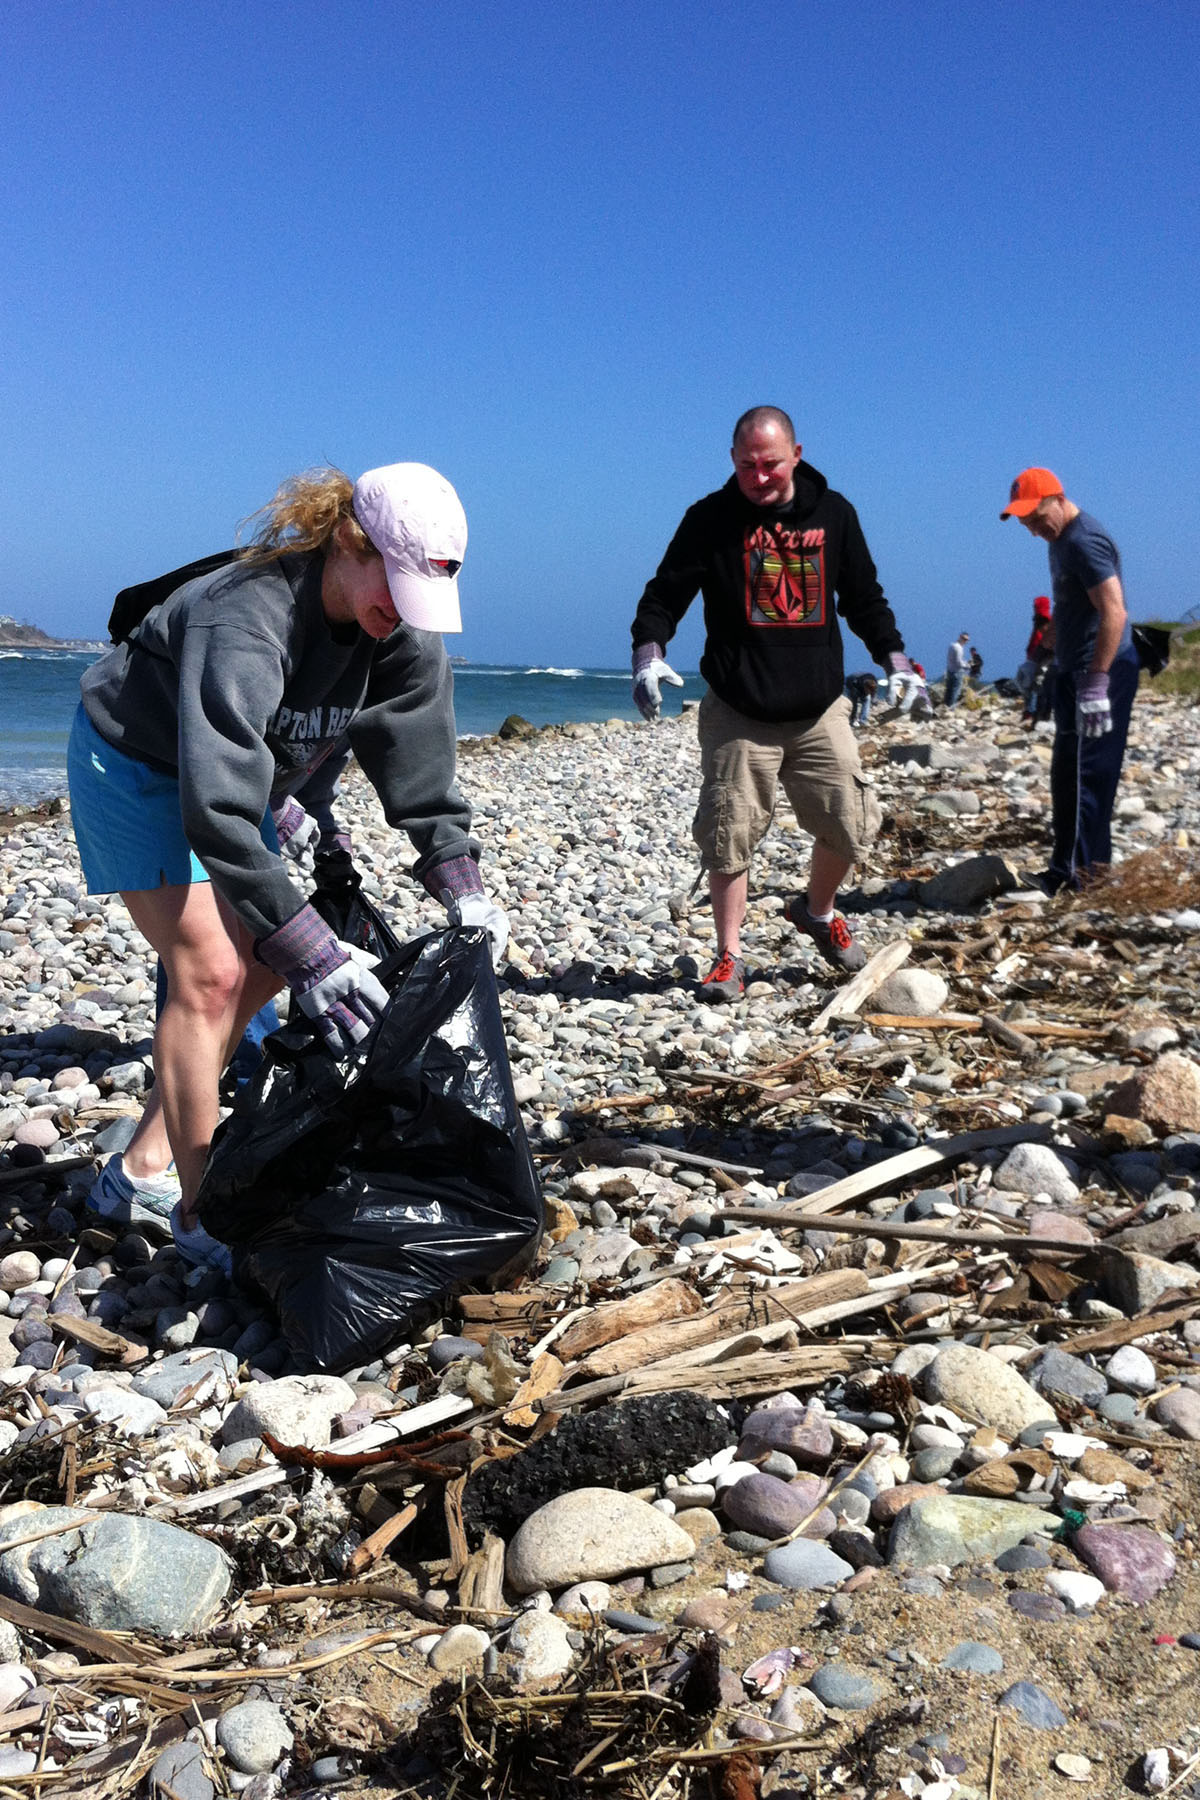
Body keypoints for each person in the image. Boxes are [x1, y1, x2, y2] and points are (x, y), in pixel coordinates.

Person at [68, 462, 508, 1271]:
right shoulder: (246, 616)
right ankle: (202, 1216)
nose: (401, 614)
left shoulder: (399, 625)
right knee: (208, 975)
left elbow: (417, 761)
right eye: (393, 586)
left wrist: (461, 882)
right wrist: (315, 951)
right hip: (137, 761)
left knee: (261, 973)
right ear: (349, 540)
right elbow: (218, 812)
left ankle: (132, 1171)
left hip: (235, 780)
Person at [630, 405, 912, 1000]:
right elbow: (665, 594)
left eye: (771, 464)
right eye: (748, 465)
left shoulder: (834, 515)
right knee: (728, 832)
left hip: (818, 710)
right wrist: (648, 653)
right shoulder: (708, 519)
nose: (760, 477)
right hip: (740, 711)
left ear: (797, 456)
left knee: (852, 822)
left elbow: (864, 598)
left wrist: (895, 658)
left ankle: (817, 910)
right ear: (733, 461)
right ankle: (729, 956)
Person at [1000, 466, 1139, 894]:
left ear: (1058, 499)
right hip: (1070, 670)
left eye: (1037, 519)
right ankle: (1068, 870)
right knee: (1067, 773)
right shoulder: (1059, 540)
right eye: (1026, 524)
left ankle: (1085, 879)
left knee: (1087, 776)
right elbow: (1067, 606)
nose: (1034, 531)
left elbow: (1114, 612)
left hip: (1100, 672)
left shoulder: (1084, 541)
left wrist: (1097, 682)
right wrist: (1041, 655)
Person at [1016, 595, 1054, 727]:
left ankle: (1035, 714)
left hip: (1041, 659)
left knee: (1036, 686)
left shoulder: (1044, 620)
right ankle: (1035, 714)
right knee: (1035, 686)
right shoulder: (1042, 621)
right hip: (1038, 659)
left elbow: (1042, 642)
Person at [944, 632, 970, 707]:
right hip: (957, 672)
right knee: (955, 692)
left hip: (950, 670)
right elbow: (958, 662)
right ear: (960, 637)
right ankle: (951, 708)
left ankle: (945, 707)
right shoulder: (959, 648)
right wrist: (967, 666)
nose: (965, 641)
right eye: (964, 639)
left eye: (967, 640)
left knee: (948, 691)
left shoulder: (952, 645)